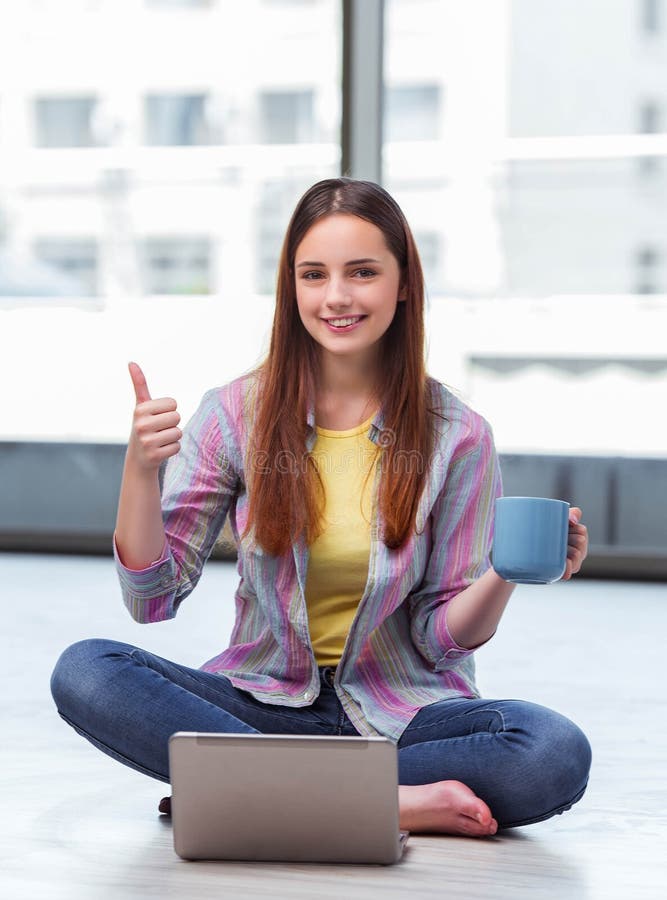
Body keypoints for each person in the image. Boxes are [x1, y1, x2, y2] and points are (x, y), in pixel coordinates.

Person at [50, 177, 591, 838]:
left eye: (361, 272)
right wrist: (139, 471)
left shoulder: (458, 432)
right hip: (262, 701)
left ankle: (251, 789)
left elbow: (440, 639)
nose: (336, 296)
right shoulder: (233, 414)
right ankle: (379, 801)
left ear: (402, 284)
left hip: (404, 714)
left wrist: (504, 570)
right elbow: (152, 599)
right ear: (292, 288)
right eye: (314, 275)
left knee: (549, 752)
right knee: (86, 672)